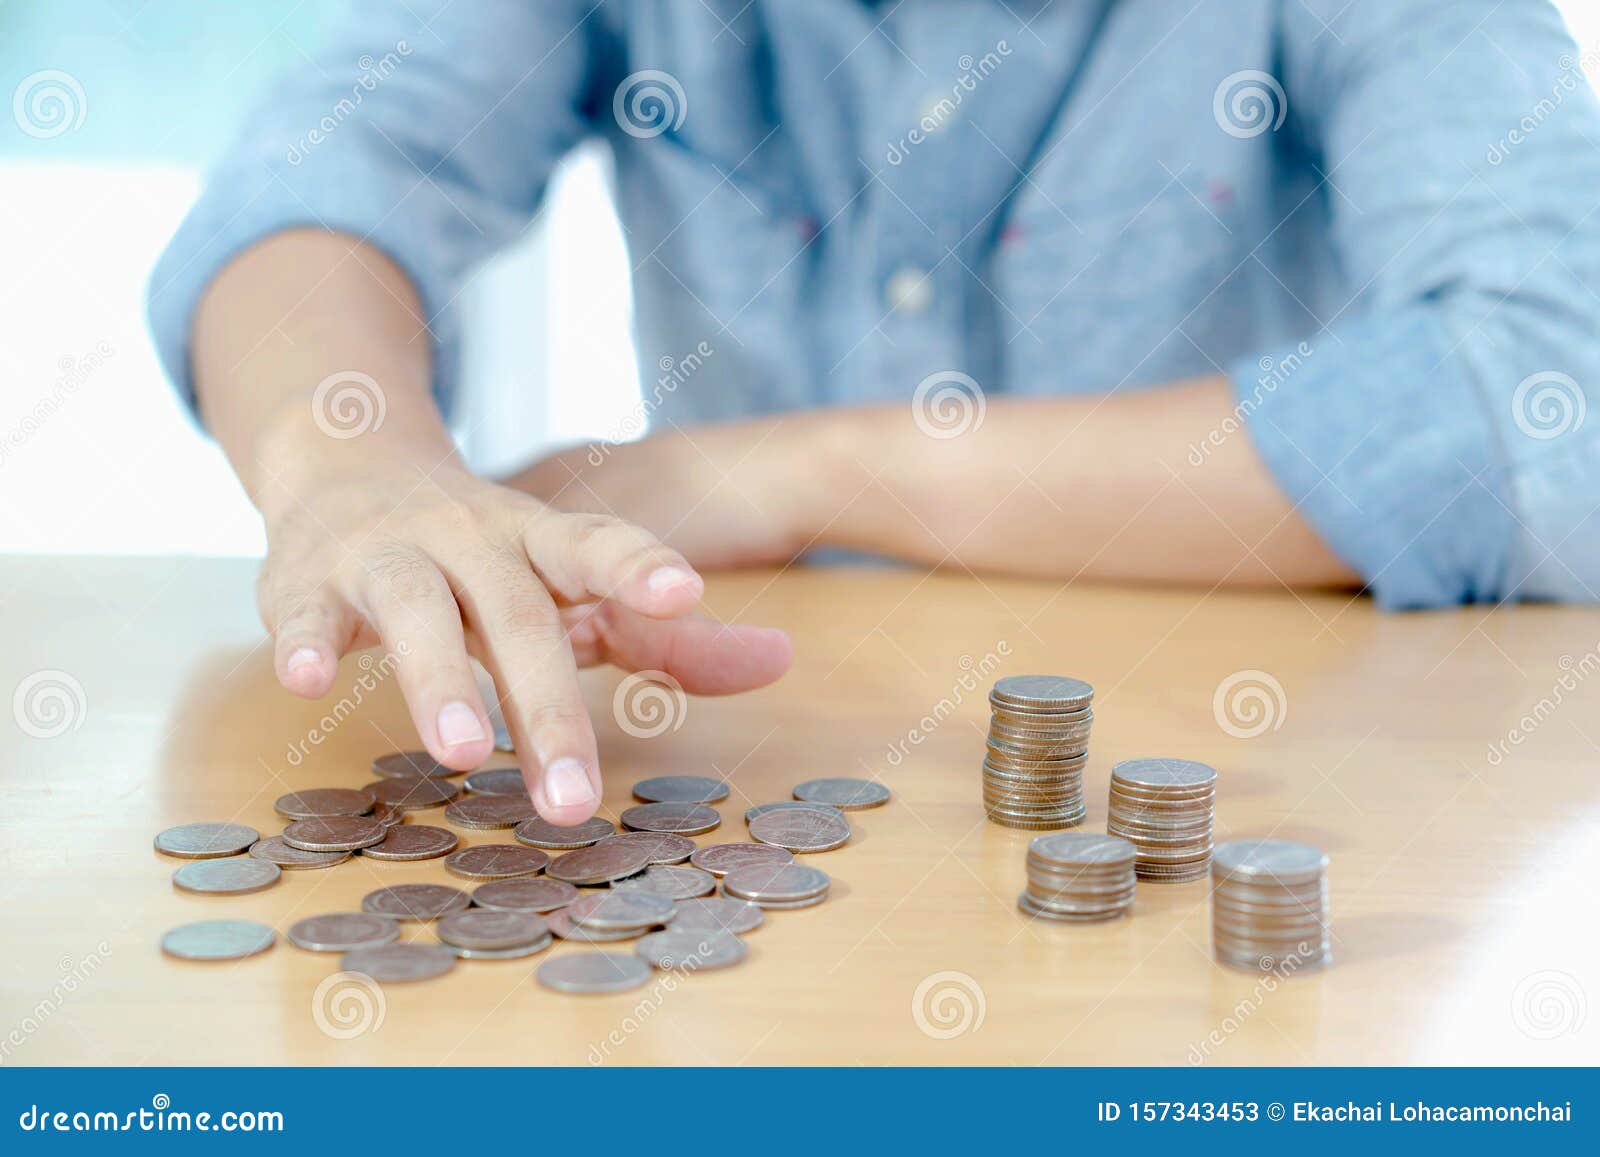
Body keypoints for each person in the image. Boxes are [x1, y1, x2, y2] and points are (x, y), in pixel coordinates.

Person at [148, 0, 1600, 824]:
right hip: (758, 748)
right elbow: (325, 168)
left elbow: (1563, 407)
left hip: (1265, 766)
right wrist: (352, 462)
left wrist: (806, 468)